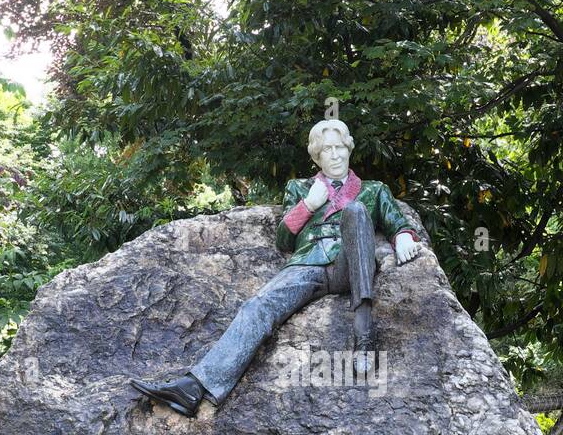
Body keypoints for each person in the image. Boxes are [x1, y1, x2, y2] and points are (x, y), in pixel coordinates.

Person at [131, 119, 422, 417]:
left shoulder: (373, 190)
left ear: (349, 149)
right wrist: (308, 204)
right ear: (316, 157)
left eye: (339, 148)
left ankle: (364, 334)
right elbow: (284, 240)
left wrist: (402, 238)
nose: (335, 155)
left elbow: (397, 222)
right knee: (258, 305)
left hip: (350, 266)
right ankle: (194, 388)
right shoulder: (299, 188)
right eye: (327, 150)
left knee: (356, 210)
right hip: (308, 265)